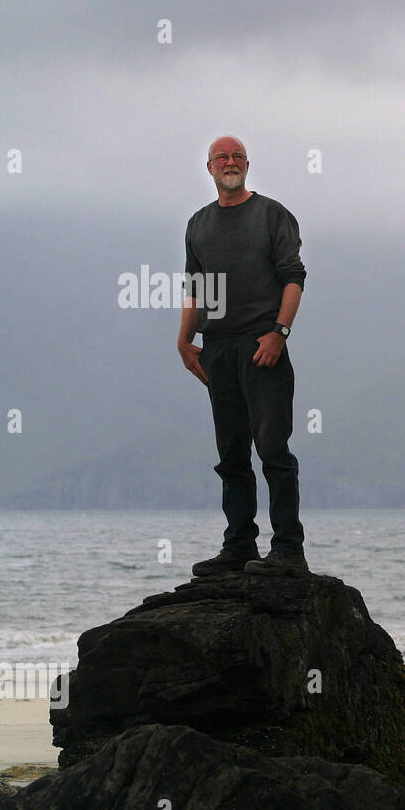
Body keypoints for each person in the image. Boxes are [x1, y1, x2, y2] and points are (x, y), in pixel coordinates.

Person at [178, 135, 309, 577]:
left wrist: (279, 333)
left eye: (236, 157)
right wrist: (184, 342)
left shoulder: (272, 215)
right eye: (221, 158)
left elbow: (294, 277)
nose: (229, 163)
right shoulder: (198, 224)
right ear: (209, 167)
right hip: (217, 349)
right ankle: (239, 547)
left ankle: (288, 549)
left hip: (262, 345)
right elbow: (196, 289)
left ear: (247, 165)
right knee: (232, 454)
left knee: (273, 449)